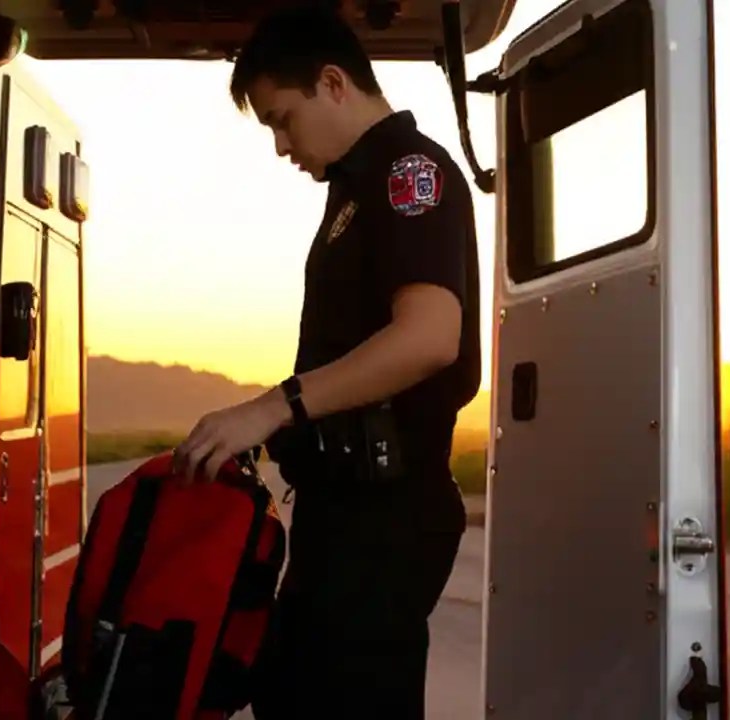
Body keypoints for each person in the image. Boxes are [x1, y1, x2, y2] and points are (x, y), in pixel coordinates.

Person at [170, 5, 481, 717]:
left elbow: (431, 335)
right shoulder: (354, 187)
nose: (282, 145)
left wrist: (274, 405)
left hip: (385, 515)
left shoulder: (409, 172)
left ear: (334, 84)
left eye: (283, 119)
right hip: (343, 511)